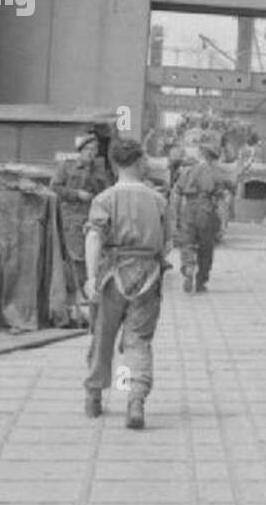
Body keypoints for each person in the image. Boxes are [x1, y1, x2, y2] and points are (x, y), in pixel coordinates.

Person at [83, 136, 171, 429]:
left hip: (112, 275)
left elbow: (93, 236)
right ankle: (135, 400)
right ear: (139, 161)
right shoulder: (158, 199)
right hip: (148, 276)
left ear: (113, 163)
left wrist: (91, 277)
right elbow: (167, 244)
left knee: (102, 337)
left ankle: (94, 396)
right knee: (139, 341)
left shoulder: (104, 199)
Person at [51, 137, 108, 326]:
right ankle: (79, 297)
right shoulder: (66, 167)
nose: (91, 153)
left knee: (91, 258)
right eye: (88, 149)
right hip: (71, 218)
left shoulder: (99, 170)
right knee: (75, 259)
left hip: (91, 218)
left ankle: (87, 295)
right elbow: (55, 187)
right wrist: (76, 194)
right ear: (80, 151)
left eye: (94, 150)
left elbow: (105, 192)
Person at [174, 142, 229, 293]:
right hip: (206, 210)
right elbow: (221, 201)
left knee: (187, 243)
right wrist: (223, 223)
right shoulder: (215, 173)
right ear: (212, 158)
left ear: (200, 154)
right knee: (206, 248)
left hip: (189, 208)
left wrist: (176, 215)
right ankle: (201, 282)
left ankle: (188, 266)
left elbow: (177, 194)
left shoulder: (187, 171)